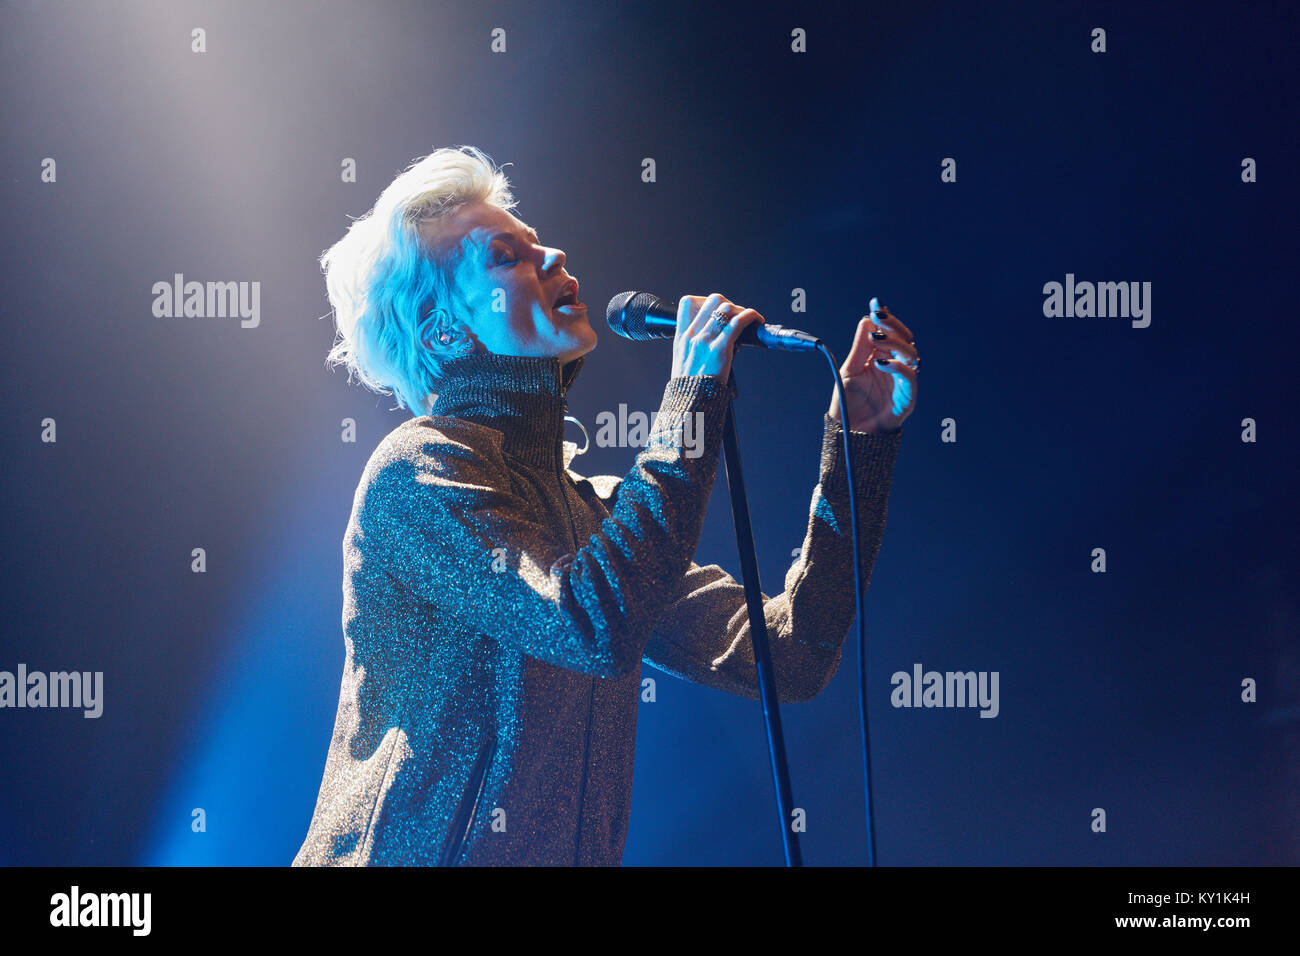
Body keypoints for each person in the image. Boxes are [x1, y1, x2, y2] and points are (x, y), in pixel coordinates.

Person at [292, 145, 919, 866]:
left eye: (537, 240)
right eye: (509, 255)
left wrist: (858, 447)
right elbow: (591, 623)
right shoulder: (418, 472)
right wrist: (691, 400)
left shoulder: (594, 518)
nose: (554, 253)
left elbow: (791, 656)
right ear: (444, 329)